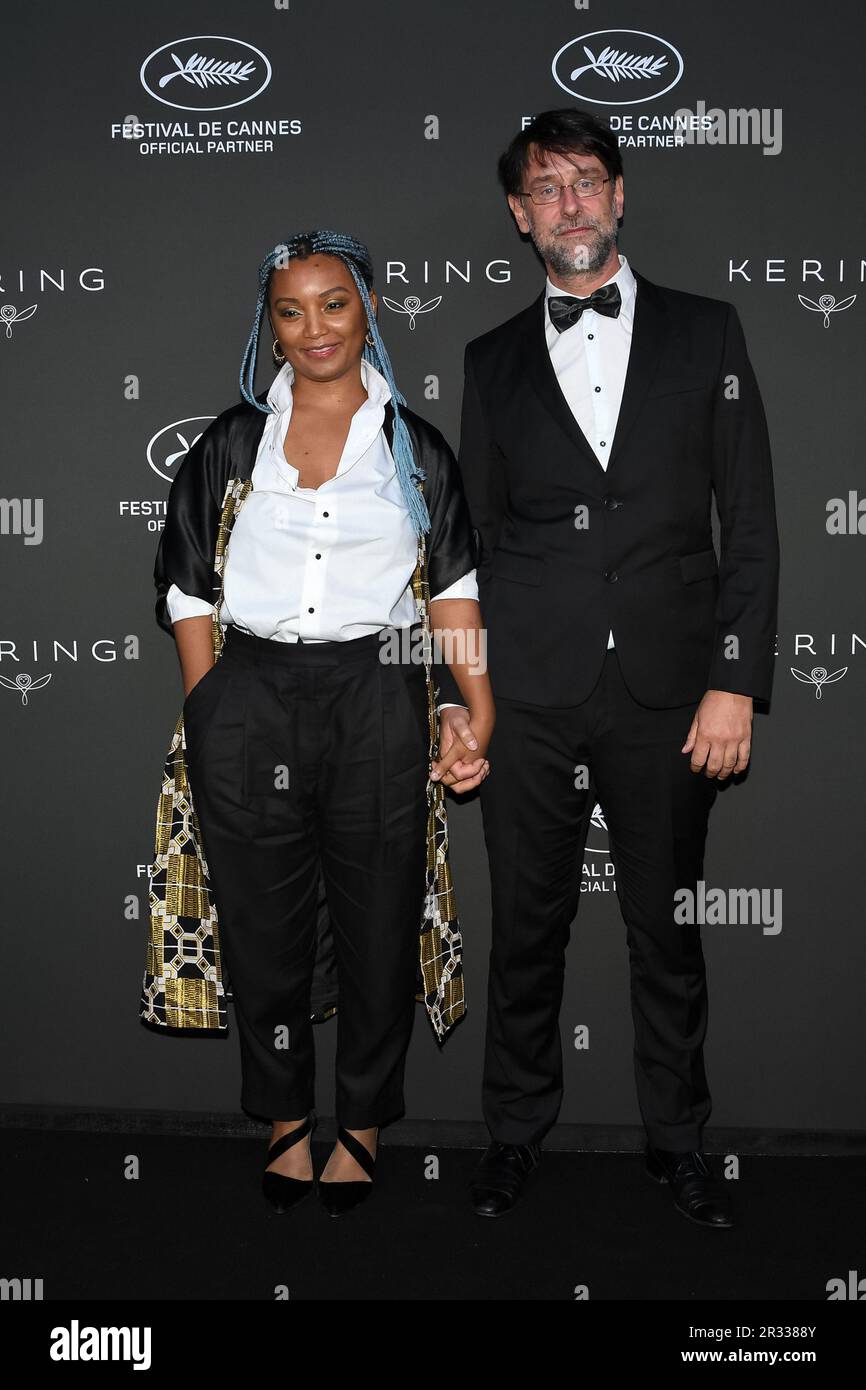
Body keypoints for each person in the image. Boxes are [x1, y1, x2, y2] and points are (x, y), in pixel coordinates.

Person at [435, 110, 780, 1227]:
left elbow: (753, 524)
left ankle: (677, 1138)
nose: (570, 203)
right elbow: (463, 550)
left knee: (664, 929)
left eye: (587, 181)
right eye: (547, 188)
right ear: (518, 214)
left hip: (672, 695)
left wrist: (734, 679)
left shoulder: (706, 333)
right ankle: (511, 1136)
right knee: (525, 928)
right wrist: (462, 700)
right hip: (526, 693)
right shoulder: (488, 361)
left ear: (619, 195)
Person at [150, 229, 494, 1217]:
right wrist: (211, 697)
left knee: (379, 919)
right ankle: (283, 1120)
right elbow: (184, 584)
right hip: (248, 692)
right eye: (290, 310)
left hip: (378, 691)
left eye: (332, 303)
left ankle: (364, 1122)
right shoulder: (229, 441)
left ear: (369, 308)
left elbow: (453, 594)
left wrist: (477, 710)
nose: (313, 328)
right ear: (271, 324)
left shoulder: (413, 449)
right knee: (264, 924)